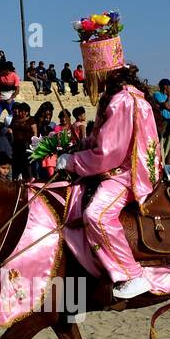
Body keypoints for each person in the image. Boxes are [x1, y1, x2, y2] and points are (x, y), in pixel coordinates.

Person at [56, 62, 163, 301]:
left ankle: (131, 274)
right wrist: (78, 148)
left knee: (97, 214)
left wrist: (73, 162)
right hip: (119, 165)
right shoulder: (115, 96)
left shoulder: (122, 100)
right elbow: (99, 140)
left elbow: (109, 153)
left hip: (126, 173)